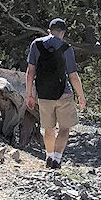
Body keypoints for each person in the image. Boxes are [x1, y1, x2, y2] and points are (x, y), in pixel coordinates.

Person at [25, 17, 86, 170]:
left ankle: (49, 156)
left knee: (48, 128)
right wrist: (81, 96)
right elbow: (73, 76)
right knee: (65, 128)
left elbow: (30, 72)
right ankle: (57, 160)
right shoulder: (66, 48)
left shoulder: (36, 44)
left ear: (49, 31)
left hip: (44, 94)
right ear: (63, 32)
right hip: (63, 93)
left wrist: (29, 94)